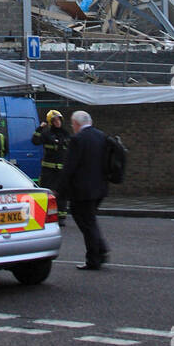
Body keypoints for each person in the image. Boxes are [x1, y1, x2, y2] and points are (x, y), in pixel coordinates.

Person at [60, 110, 109, 270]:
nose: (72, 127)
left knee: (86, 223)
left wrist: (60, 189)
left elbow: (69, 167)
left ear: (76, 123)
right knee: (90, 220)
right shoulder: (101, 136)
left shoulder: (77, 139)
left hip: (82, 190)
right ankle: (100, 250)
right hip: (99, 188)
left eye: (72, 124)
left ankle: (94, 259)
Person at [32, 109, 71, 224]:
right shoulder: (46, 134)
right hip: (48, 170)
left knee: (62, 193)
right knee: (47, 193)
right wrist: (40, 128)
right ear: (50, 122)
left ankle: (62, 217)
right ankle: (46, 215)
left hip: (61, 170)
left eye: (59, 119)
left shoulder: (65, 134)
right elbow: (35, 141)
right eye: (54, 120)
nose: (57, 122)